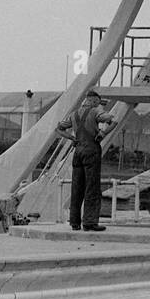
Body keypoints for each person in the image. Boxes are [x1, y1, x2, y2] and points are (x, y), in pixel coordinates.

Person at [55, 90, 113, 232]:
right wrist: (103, 132)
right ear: (93, 101)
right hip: (91, 149)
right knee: (92, 186)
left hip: (78, 150)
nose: (98, 105)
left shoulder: (74, 114)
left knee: (77, 186)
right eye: (98, 103)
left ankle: (75, 222)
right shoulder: (95, 112)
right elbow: (112, 119)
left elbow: (59, 128)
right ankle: (90, 222)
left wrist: (71, 138)